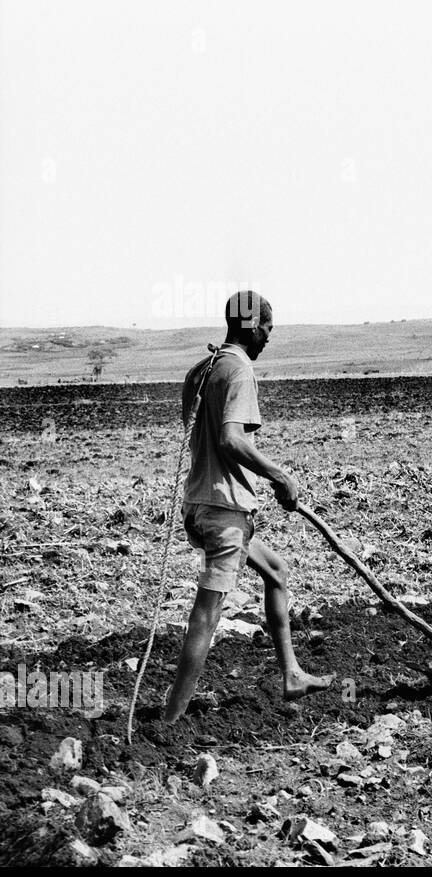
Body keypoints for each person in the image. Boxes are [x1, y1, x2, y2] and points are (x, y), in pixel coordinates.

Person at [163, 291, 332, 724]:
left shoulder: (202, 370)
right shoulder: (239, 369)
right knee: (207, 614)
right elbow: (230, 439)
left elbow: (197, 432)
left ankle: (291, 674)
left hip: (201, 504)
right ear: (252, 324)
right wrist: (280, 475)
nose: (269, 338)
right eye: (268, 329)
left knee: (276, 571)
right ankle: (170, 718)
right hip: (224, 512)